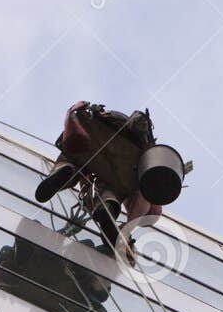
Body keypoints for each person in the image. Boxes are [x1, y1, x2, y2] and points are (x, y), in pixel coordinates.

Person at [34, 102, 164, 252]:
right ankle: (107, 207)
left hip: (98, 136)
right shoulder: (148, 196)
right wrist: (126, 229)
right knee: (112, 190)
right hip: (126, 163)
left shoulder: (121, 124)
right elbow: (142, 204)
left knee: (75, 160)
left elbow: (88, 179)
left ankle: (65, 171)